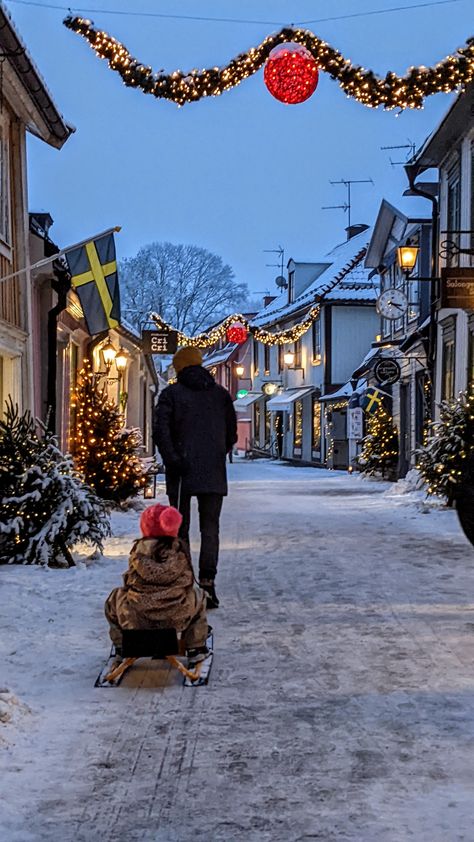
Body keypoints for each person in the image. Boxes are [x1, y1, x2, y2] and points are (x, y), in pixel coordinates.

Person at [153, 346, 238, 609]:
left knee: (180, 528)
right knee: (210, 528)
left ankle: (184, 581)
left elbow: (160, 432)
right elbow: (231, 435)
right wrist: (214, 453)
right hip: (213, 472)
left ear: (179, 369)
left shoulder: (171, 395)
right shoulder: (221, 396)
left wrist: (174, 459)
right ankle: (208, 583)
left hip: (181, 473)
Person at [104, 503, 209, 666]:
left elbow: (128, 582)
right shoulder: (179, 552)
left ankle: (121, 646)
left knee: (114, 598)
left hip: (137, 619)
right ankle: (195, 647)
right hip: (175, 619)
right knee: (198, 595)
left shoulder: (137, 553)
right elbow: (187, 581)